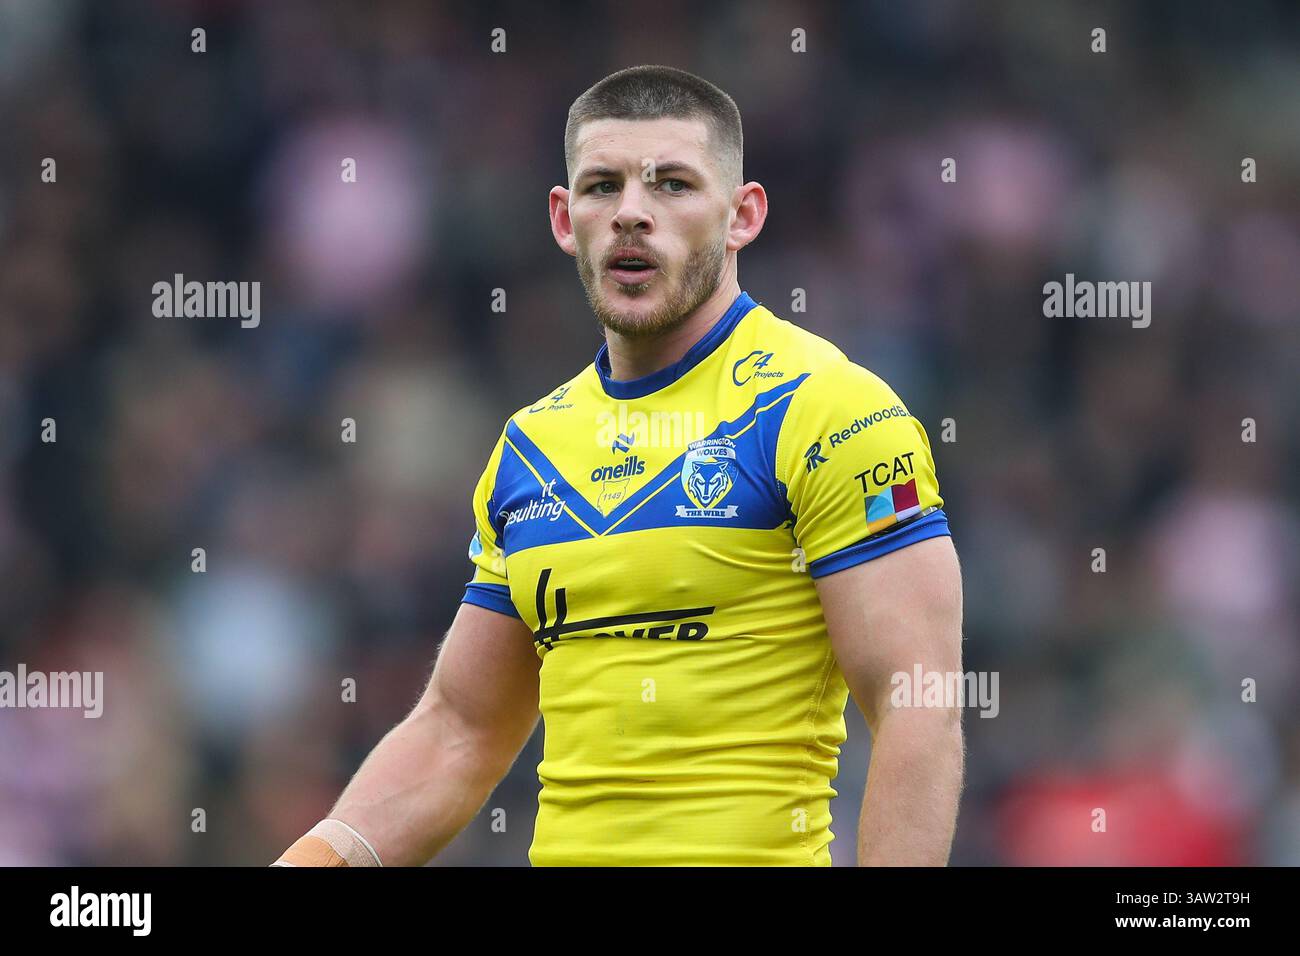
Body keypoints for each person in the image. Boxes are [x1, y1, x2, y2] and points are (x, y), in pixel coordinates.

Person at [274, 64, 964, 868]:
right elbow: (459, 729)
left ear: (743, 215)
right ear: (566, 220)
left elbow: (917, 704)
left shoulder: (830, 410)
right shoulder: (532, 447)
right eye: (603, 186)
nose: (632, 212)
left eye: (672, 184)